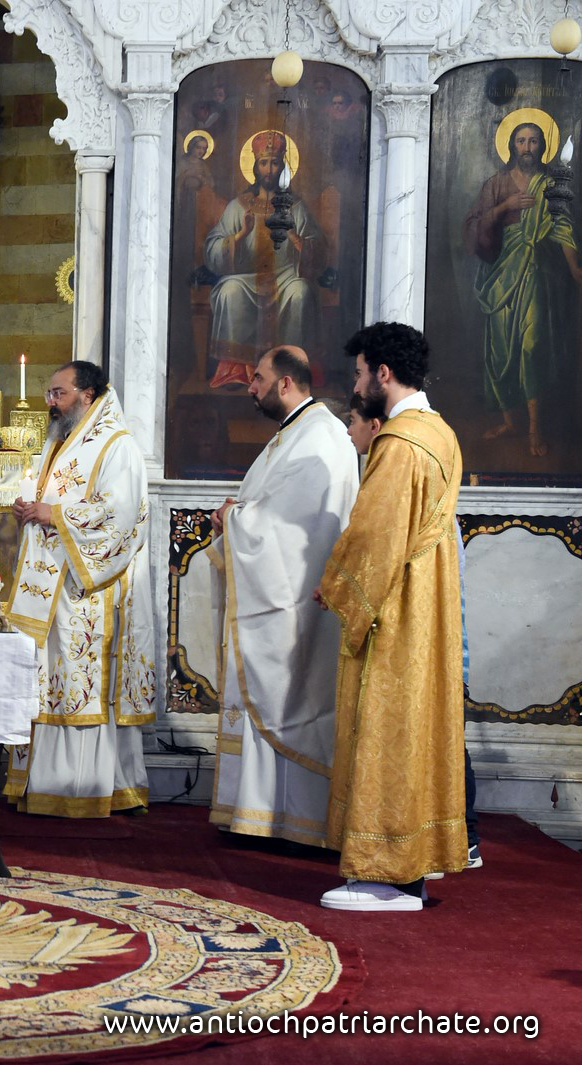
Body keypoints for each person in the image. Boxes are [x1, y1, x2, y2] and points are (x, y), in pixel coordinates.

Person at [316, 322, 466, 912]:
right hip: (427, 604)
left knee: (386, 727)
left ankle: (385, 875)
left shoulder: (400, 443)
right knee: (414, 731)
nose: (356, 383)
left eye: (358, 373)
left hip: (396, 608)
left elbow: (373, 535)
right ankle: (410, 869)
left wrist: (335, 588)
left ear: (382, 373)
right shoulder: (441, 432)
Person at [207, 346, 358, 844]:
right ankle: (261, 815)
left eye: (258, 379)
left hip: (295, 604)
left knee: (294, 703)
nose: (250, 388)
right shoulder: (295, 432)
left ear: (286, 384)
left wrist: (233, 518)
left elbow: (289, 530)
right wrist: (237, 516)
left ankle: (292, 822)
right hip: (281, 594)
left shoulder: (321, 437)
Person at [3, 361, 156, 817]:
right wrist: (31, 508)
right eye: (50, 394)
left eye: (59, 393)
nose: (50, 402)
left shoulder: (117, 444)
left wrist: (55, 516)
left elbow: (122, 513)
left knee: (77, 674)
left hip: (89, 587)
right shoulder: (61, 441)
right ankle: (43, 781)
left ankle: (85, 784)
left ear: (87, 394)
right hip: (51, 583)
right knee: (50, 672)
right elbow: (55, 498)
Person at [463, 120, 582, 457]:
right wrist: (504, 207)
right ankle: (509, 421)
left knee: (531, 346)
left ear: (543, 146)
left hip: (535, 269)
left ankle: (534, 428)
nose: (527, 148)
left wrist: (573, 266)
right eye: (521, 141)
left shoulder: (552, 184)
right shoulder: (496, 183)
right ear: (511, 146)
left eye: (533, 141)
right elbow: (473, 225)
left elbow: (562, 226)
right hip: (500, 273)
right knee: (501, 351)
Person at [203, 130, 321, 388]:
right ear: (255, 166)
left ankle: (291, 370)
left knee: (300, 293)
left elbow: (317, 248)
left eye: (275, 162)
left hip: (286, 278)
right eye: (264, 162)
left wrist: (294, 235)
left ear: (283, 167)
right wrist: (240, 235)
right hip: (248, 278)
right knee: (230, 291)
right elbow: (213, 247)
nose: (269, 169)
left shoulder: (296, 207)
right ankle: (236, 371)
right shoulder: (239, 206)